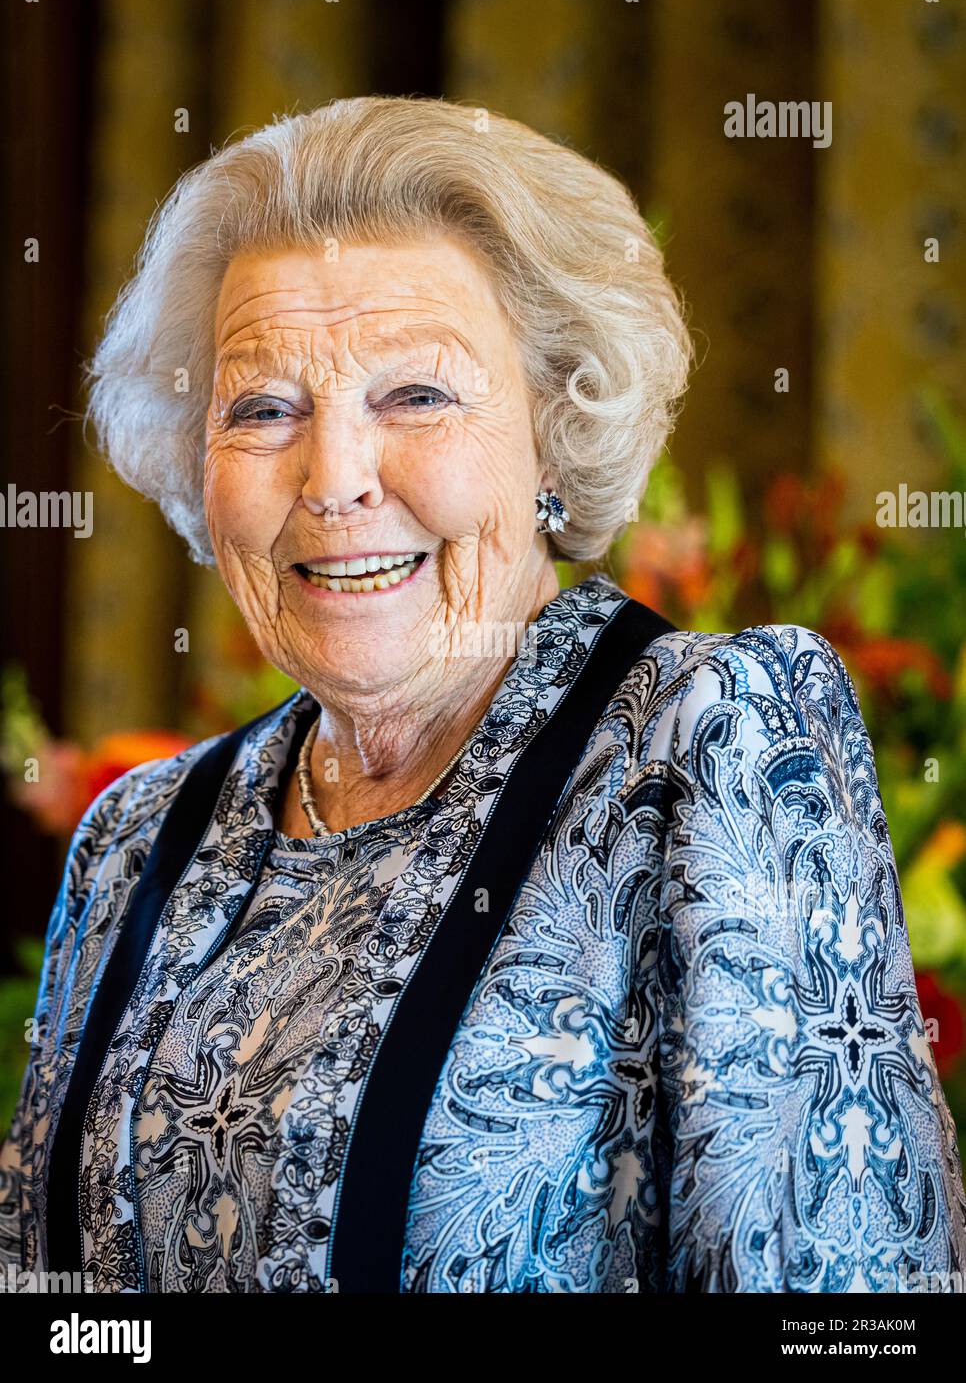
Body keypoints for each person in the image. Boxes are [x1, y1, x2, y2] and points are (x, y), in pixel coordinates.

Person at [1, 96, 963, 1294]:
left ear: (554, 433)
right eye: (263, 410)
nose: (335, 479)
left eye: (417, 396)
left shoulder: (708, 740)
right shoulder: (136, 837)